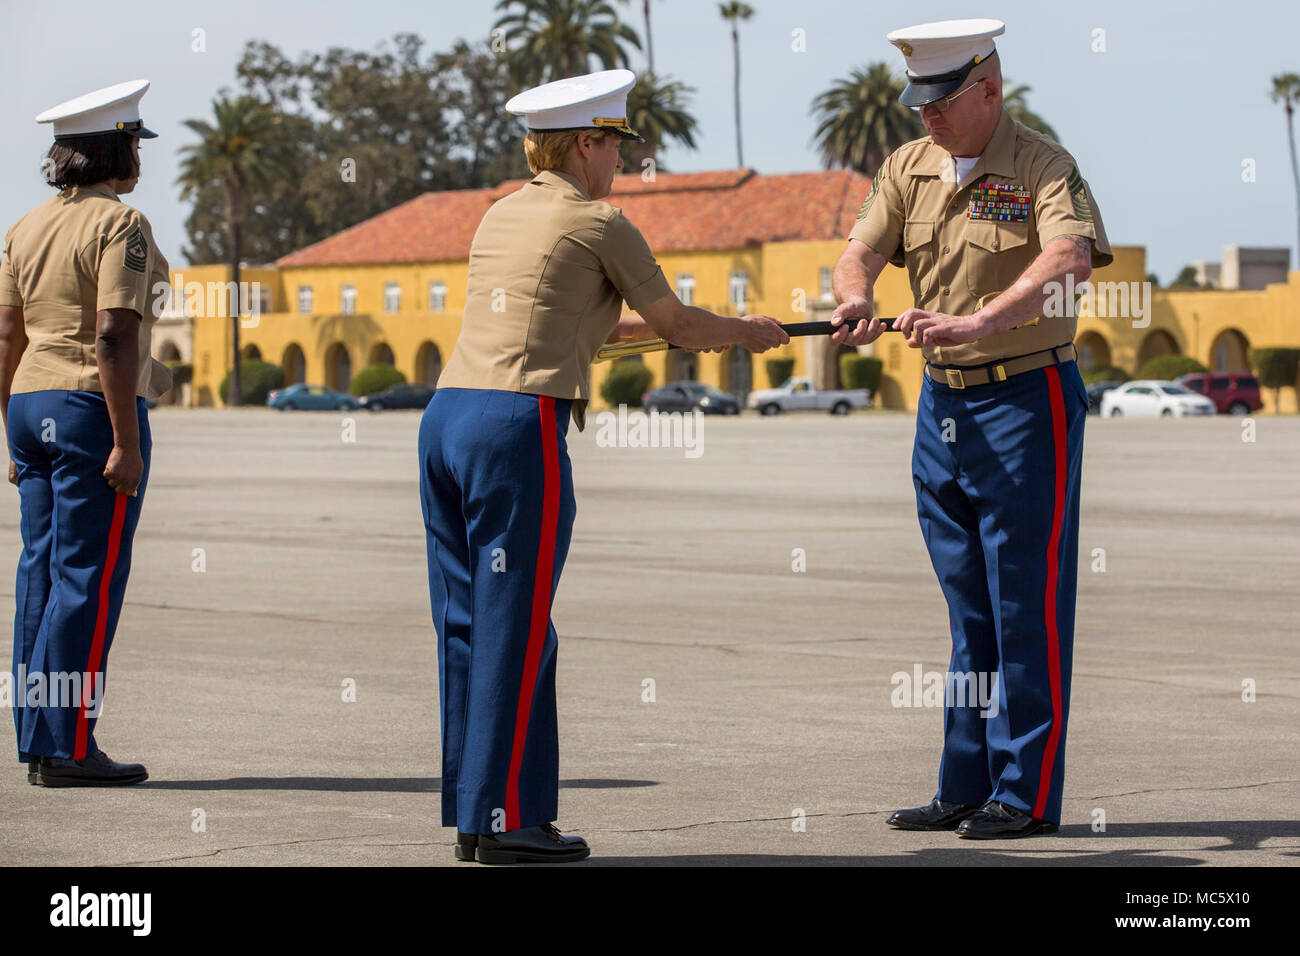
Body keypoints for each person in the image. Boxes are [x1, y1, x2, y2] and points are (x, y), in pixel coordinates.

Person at [421, 69, 788, 864]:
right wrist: (743, 331)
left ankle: (475, 815)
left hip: (448, 417)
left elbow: (573, 321)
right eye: (616, 145)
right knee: (518, 626)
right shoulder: (600, 222)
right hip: (518, 424)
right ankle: (514, 820)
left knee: (466, 624)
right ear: (585, 143)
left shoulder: (499, 216)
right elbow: (678, 321)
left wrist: (688, 329)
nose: (622, 161)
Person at [831, 20, 1112, 838]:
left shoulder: (1042, 166)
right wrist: (853, 293)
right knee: (967, 611)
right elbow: (858, 251)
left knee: (1024, 603)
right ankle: (964, 782)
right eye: (919, 100)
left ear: (991, 89)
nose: (929, 116)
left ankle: (1023, 795)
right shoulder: (906, 167)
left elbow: (1068, 260)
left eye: (944, 101)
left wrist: (978, 320)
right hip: (942, 408)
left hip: (1026, 400)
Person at [0, 80, 172, 787]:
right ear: (114, 151)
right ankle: (69, 747)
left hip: (28, 403)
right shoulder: (121, 225)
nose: (139, 155)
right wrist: (126, 442)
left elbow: (7, 333)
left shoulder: (25, 226)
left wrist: (5, 437)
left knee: (40, 573)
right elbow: (111, 335)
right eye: (134, 142)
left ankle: (39, 740)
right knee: (88, 580)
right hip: (86, 410)